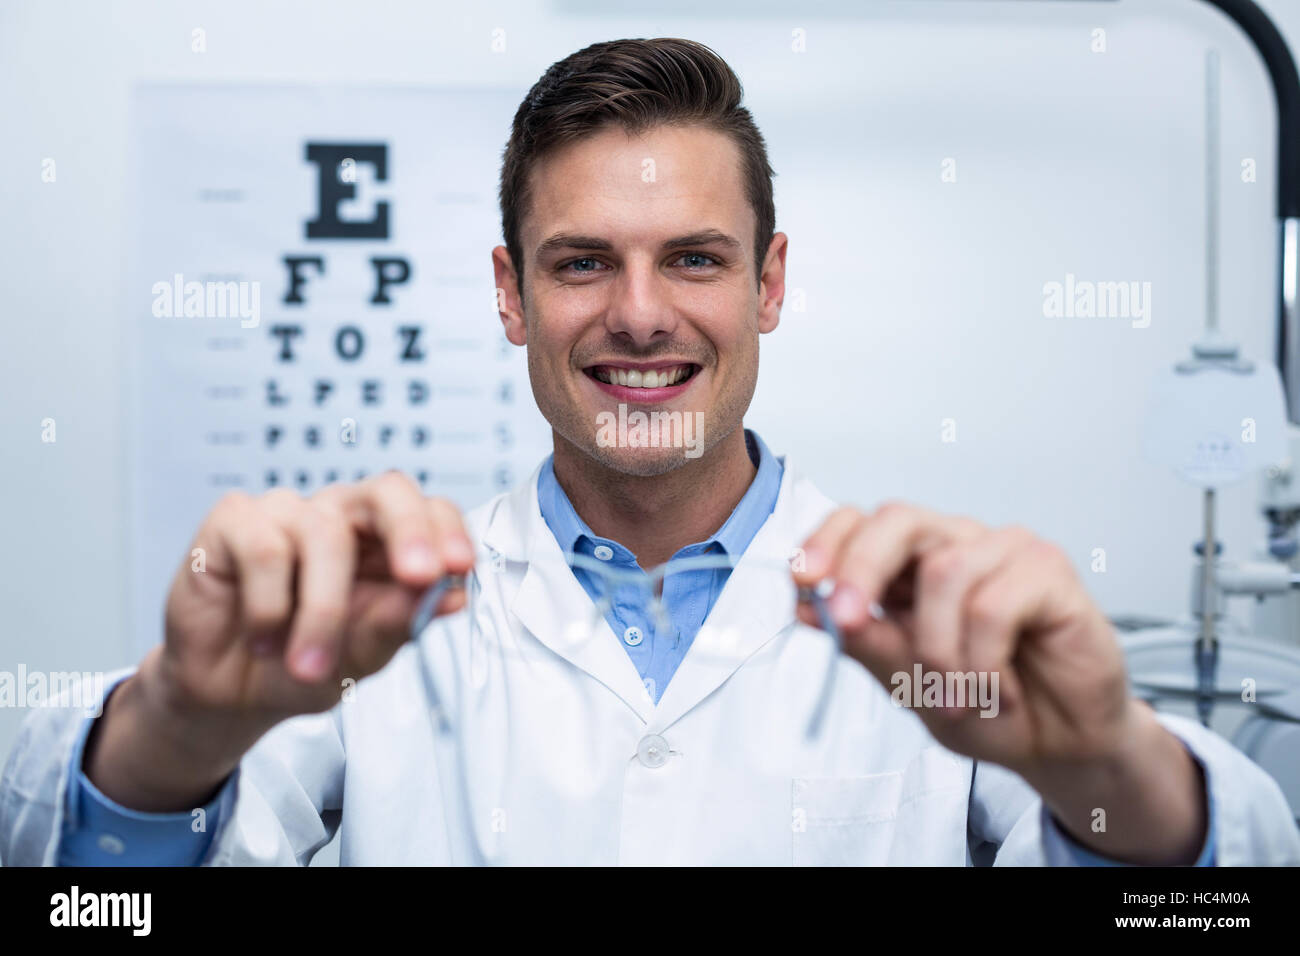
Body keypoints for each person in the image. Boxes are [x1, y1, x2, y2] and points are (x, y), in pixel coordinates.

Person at [3, 37, 1297, 867]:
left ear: (768, 283)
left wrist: (1106, 767)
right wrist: (166, 738)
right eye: (581, 264)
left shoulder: (933, 623)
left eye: (693, 257)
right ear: (509, 295)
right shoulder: (370, 621)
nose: (637, 312)